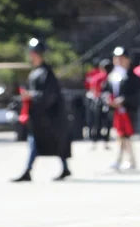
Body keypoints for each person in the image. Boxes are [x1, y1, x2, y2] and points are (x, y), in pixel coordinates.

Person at [11, 38, 72, 182]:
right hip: (39, 115)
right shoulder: (36, 72)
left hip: (49, 116)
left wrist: (31, 95)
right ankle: (61, 168)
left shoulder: (46, 73)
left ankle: (29, 170)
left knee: (50, 142)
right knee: (37, 142)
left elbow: (49, 95)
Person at [105, 47, 140, 171]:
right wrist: (108, 100)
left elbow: (136, 93)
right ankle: (127, 159)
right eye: (116, 58)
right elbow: (105, 91)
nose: (119, 61)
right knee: (120, 136)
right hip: (115, 110)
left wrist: (124, 100)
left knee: (125, 135)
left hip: (128, 110)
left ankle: (126, 159)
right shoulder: (112, 76)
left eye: (122, 58)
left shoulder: (133, 77)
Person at [85, 58, 112, 149]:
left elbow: (93, 89)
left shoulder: (98, 77)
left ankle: (94, 142)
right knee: (105, 123)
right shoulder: (110, 77)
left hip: (99, 102)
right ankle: (105, 142)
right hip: (106, 102)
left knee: (97, 123)